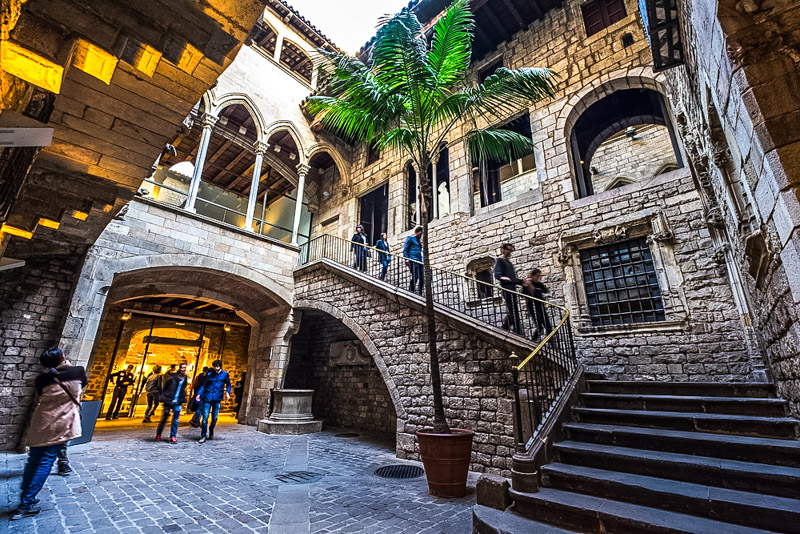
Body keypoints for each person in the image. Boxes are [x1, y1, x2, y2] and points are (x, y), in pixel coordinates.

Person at [12, 348, 87, 520]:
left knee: (33, 460)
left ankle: (26, 499)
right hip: (61, 422)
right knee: (46, 461)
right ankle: (26, 504)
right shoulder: (77, 372)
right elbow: (82, 385)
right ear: (62, 357)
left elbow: (40, 395)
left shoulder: (42, 379)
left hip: (42, 421)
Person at [196, 359, 231, 443]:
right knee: (205, 418)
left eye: (217, 366)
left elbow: (229, 384)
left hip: (217, 398)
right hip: (208, 397)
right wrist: (198, 394)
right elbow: (204, 385)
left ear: (220, 366)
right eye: (215, 366)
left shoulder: (225, 374)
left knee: (214, 418)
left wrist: (227, 392)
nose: (216, 368)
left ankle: (211, 429)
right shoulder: (210, 375)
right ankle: (203, 435)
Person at [494, 243, 524, 335]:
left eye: (511, 251)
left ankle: (509, 329)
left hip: (512, 289)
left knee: (513, 310)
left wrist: (522, 282)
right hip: (507, 289)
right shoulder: (500, 260)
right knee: (513, 310)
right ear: (503, 249)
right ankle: (516, 330)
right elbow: (497, 274)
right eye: (508, 250)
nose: (509, 252)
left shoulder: (508, 263)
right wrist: (504, 278)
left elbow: (513, 279)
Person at [156, 363, 188, 444]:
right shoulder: (172, 378)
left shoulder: (185, 378)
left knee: (176, 419)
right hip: (169, 400)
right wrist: (164, 397)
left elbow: (183, 388)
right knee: (164, 417)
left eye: (185, 367)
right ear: (179, 368)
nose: (183, 369)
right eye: (182, 367)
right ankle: (159, 433)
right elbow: (165, 387)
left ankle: (173, 436)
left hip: (178, 401)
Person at [524, 268, 552, 340]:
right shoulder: (528, 283)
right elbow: (524, 293)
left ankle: (552, 344)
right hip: (532, 306)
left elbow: (545, 290)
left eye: (539, 276)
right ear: (532, 276)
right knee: (539, 327)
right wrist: (530, 287)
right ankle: (532, 341)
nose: (538, 278)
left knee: (548, 326)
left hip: (540, 306)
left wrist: (539, 286)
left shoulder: (539, 284)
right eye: (537, 276)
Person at [403, 226, 424, 295]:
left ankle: (420, 292)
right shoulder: (410, 238)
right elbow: (405, 249)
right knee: (415, 276)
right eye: (420, 234)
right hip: (413, 260)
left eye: (421, 234)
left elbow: (421, 251)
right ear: (416, 232)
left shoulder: (419, 241)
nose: (420, 235)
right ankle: (411, 290)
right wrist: (406, 259)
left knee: (422, 277)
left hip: (420, 260)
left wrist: (421, 244)